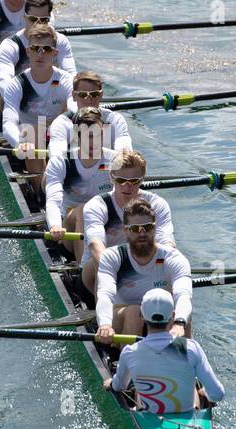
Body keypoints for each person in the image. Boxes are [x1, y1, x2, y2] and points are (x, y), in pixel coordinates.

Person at [105, 288, 224, 414]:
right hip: (189, 417)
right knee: (194, 387)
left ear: (141, 316)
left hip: (150, 417)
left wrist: (111, 383)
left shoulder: (130, 352)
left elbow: (119, 386)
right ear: (173, 316)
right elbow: (218, 394)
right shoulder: (191, 347)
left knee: (138, 389)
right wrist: (204, 393)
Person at [93, 198, 192, 342]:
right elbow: (105, 295)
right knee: (134, 312)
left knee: (180, 316)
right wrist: (105, 324)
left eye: (147, 227)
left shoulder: (173, 258)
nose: (142, 233)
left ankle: (184, 358)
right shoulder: (113, 257)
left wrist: (180, 322)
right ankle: (128, 360)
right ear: (126, 230)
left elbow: (183, 294)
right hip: (122, 316)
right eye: (135, 229)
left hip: (159, 317)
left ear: (154, 228)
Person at [79, 149, 174, 297]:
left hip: (141, 266)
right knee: (106, 260)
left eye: (134, 181)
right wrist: (120, 271)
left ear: (142, 179)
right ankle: (106, 316)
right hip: (96, 271)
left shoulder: (157, 204)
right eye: (121, 180)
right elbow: (95, 244)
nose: (127, 186)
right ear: (111, 177)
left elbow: (167, 242)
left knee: (167, 260)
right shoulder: (97, 205)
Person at [0, 24, 72, 184]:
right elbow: (8, 124)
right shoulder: (16, 85)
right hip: (31, 138)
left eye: (46, 49)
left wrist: (57, 128)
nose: (41, 53)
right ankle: (42, 191)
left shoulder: (66, 81)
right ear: (28, 51)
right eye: (36, 48)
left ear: (55, 53)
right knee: (33, 134)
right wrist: (19, 143)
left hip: (59, 132)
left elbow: (74, 109)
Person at [44, 107, 116, 261]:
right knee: (85, 209)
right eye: (89, 136)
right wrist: (55, 225)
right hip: (70, 229)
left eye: (99, 135)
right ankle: (83, 267)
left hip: (105, 222)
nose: (94, 142)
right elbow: (53, 200)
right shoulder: (61, 162)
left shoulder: (116, 161)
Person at [47, 71, 132, 156]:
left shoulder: (115, 120)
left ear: (101, 95)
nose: (89, 99)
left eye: (94, 94)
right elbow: (57, 153)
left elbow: (124, 150)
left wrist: (123, 154)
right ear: (74, 96)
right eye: (83, 94)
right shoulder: (62, 123)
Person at [0, 0, 75, 80]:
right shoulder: (10, 46)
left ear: (49, 19)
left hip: (53, 87)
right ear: (24, 17)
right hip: (22, 91)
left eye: (44, 19)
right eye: (33, 19)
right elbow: (5, 81)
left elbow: (70, 74)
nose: (38, 24)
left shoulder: (60, 41)